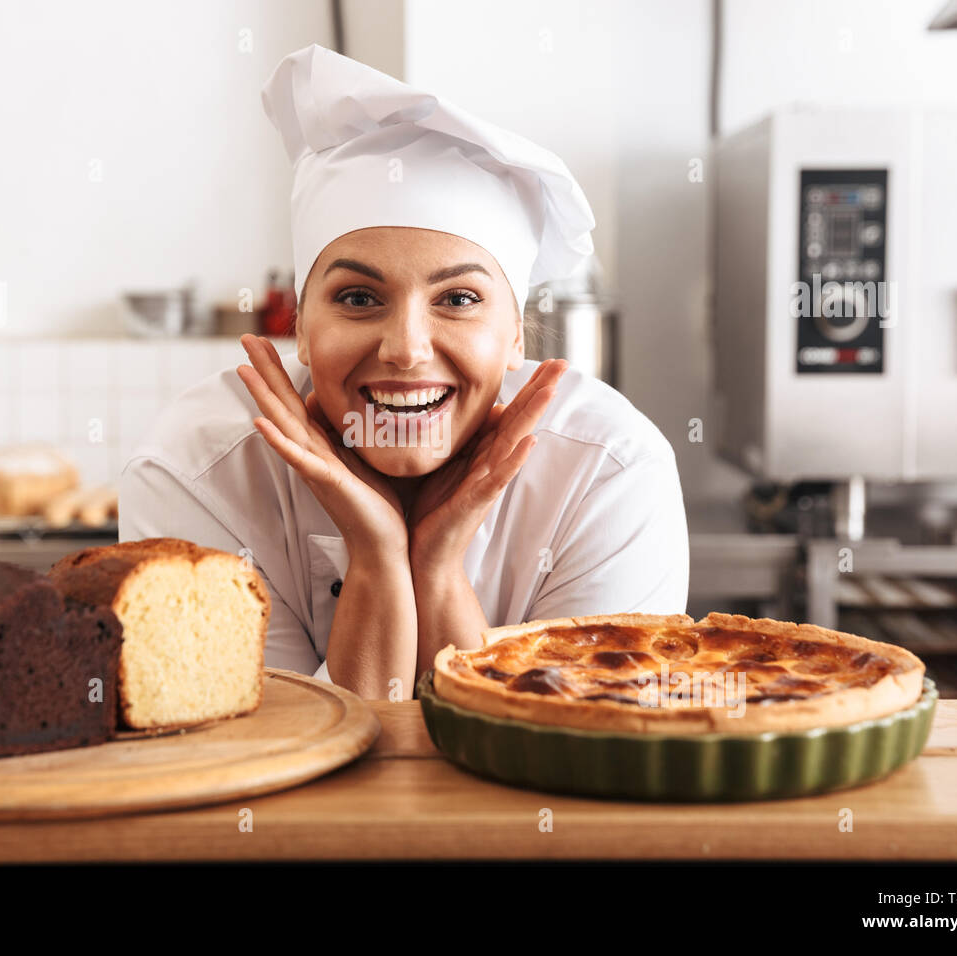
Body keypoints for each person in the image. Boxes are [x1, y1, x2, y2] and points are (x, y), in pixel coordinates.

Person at [119, 44, 688, 700]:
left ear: (515, 337)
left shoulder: (609, 472)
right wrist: (377, 557)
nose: (406, 349)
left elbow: (586, 755)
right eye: (359, 299)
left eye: (458, 300)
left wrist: (439, 568)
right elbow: (252, 757)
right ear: (302, 327)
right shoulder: (195, 473)